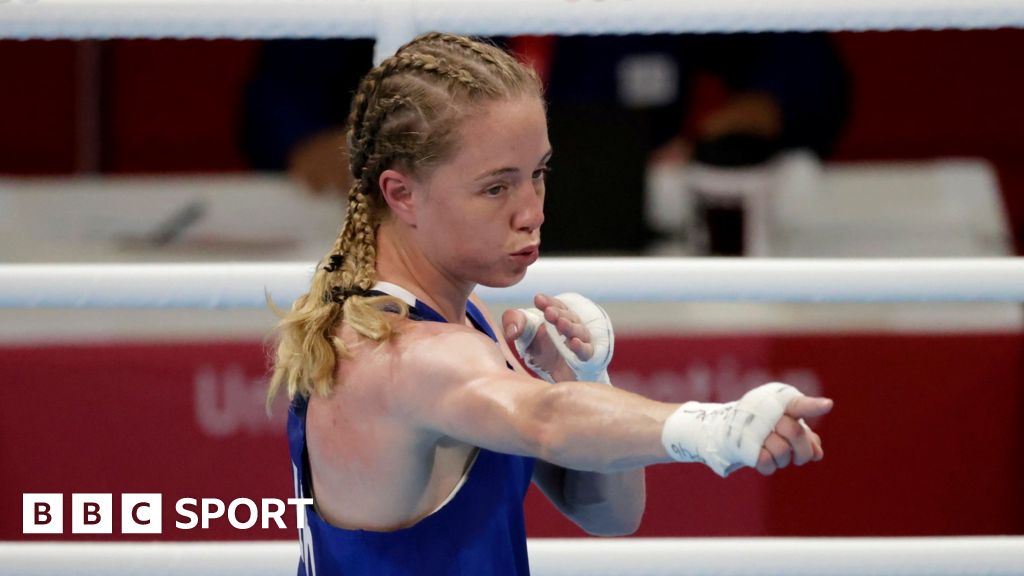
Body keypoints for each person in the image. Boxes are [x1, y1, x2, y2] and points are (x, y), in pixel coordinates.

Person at [267, 32, 833, 575]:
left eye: (537, 175)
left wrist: (587, 381)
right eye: (496, 187)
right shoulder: (399, 354)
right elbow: (545, 420)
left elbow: (608, 512)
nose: (531, 211)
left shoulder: (457, 322)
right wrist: (712, 425)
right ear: (402, 194)